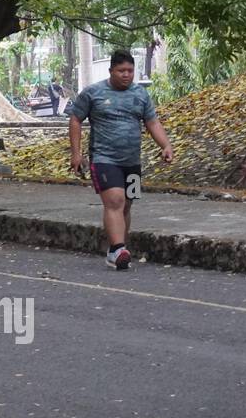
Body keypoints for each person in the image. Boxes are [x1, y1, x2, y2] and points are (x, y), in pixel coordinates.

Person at [67, 50, 173, 271]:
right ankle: (118, 249)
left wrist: (165, 145)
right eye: (121, 71)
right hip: (104, 158)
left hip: (132, 160)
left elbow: (152, 122)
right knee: (115, 201)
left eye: (130, 71)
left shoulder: (141, 95)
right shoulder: (93, 93)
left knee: (127, 204)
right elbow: (76, 119)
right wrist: (76, 153)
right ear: (111, 71)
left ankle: (117, 250)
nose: (126, 75)